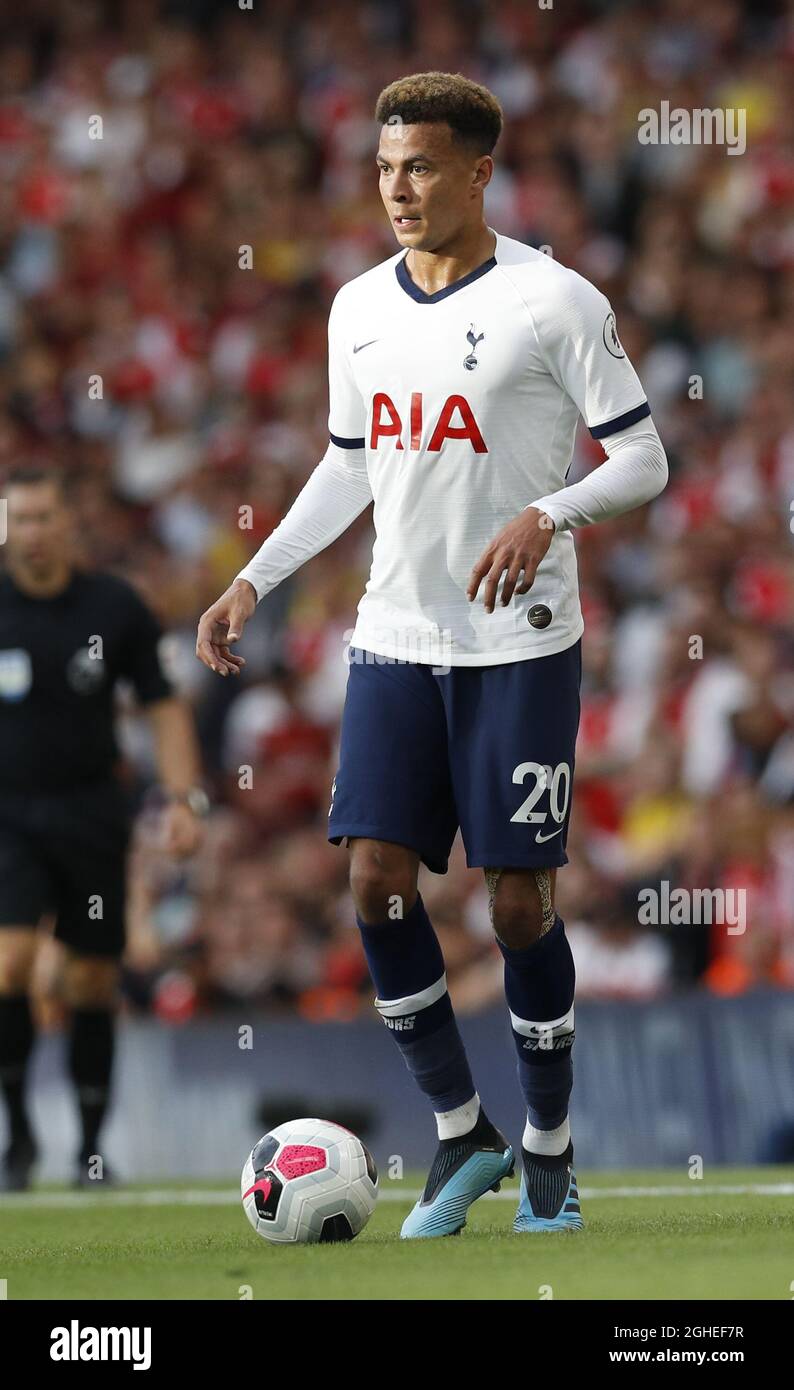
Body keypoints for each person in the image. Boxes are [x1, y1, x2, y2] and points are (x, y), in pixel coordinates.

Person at [196, 72, 668, 1237]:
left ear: (475, 171)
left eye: (417, 166)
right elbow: (350, 461)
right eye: (382, 166)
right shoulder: (355, 305)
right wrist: (255, 575)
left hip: (519, 645)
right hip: (395, 637)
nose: (395, 188)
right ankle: (463, 1132)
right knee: (371, 878)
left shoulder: (552, 300)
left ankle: (549, 1150)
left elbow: (644, 458)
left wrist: (549, 512)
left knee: (515, 908)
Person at [0, 467, 207, 1190]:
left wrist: (184, 799)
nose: (30, 533)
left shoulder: (113, 607)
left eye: (42, 517)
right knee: (11, 962)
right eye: (17, 519)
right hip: (7, 817)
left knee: (91, 977)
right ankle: (18, 1137)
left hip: (92, 813)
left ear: (66, 523)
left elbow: (163, 702)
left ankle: (91, 1148)